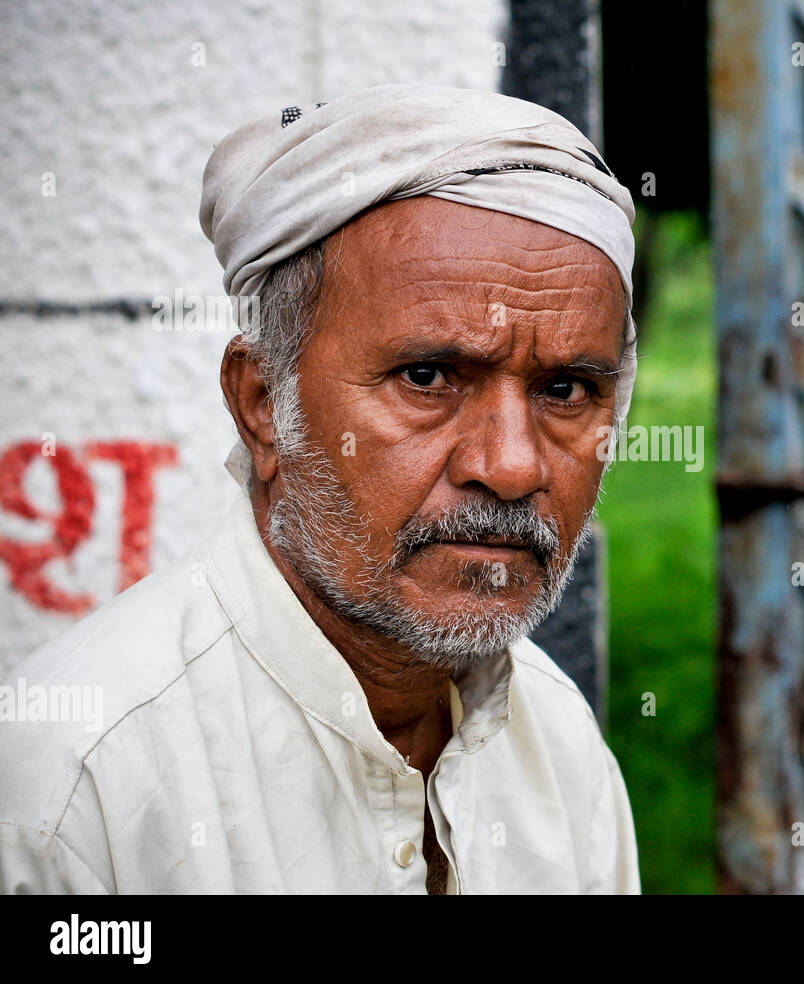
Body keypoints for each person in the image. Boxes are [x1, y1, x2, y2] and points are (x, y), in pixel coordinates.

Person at [0, 85, 641, 894]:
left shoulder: (561, 748)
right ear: (264, 403)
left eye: (567, 390)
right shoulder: (70, 796)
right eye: (428, 376)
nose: (513, 466)